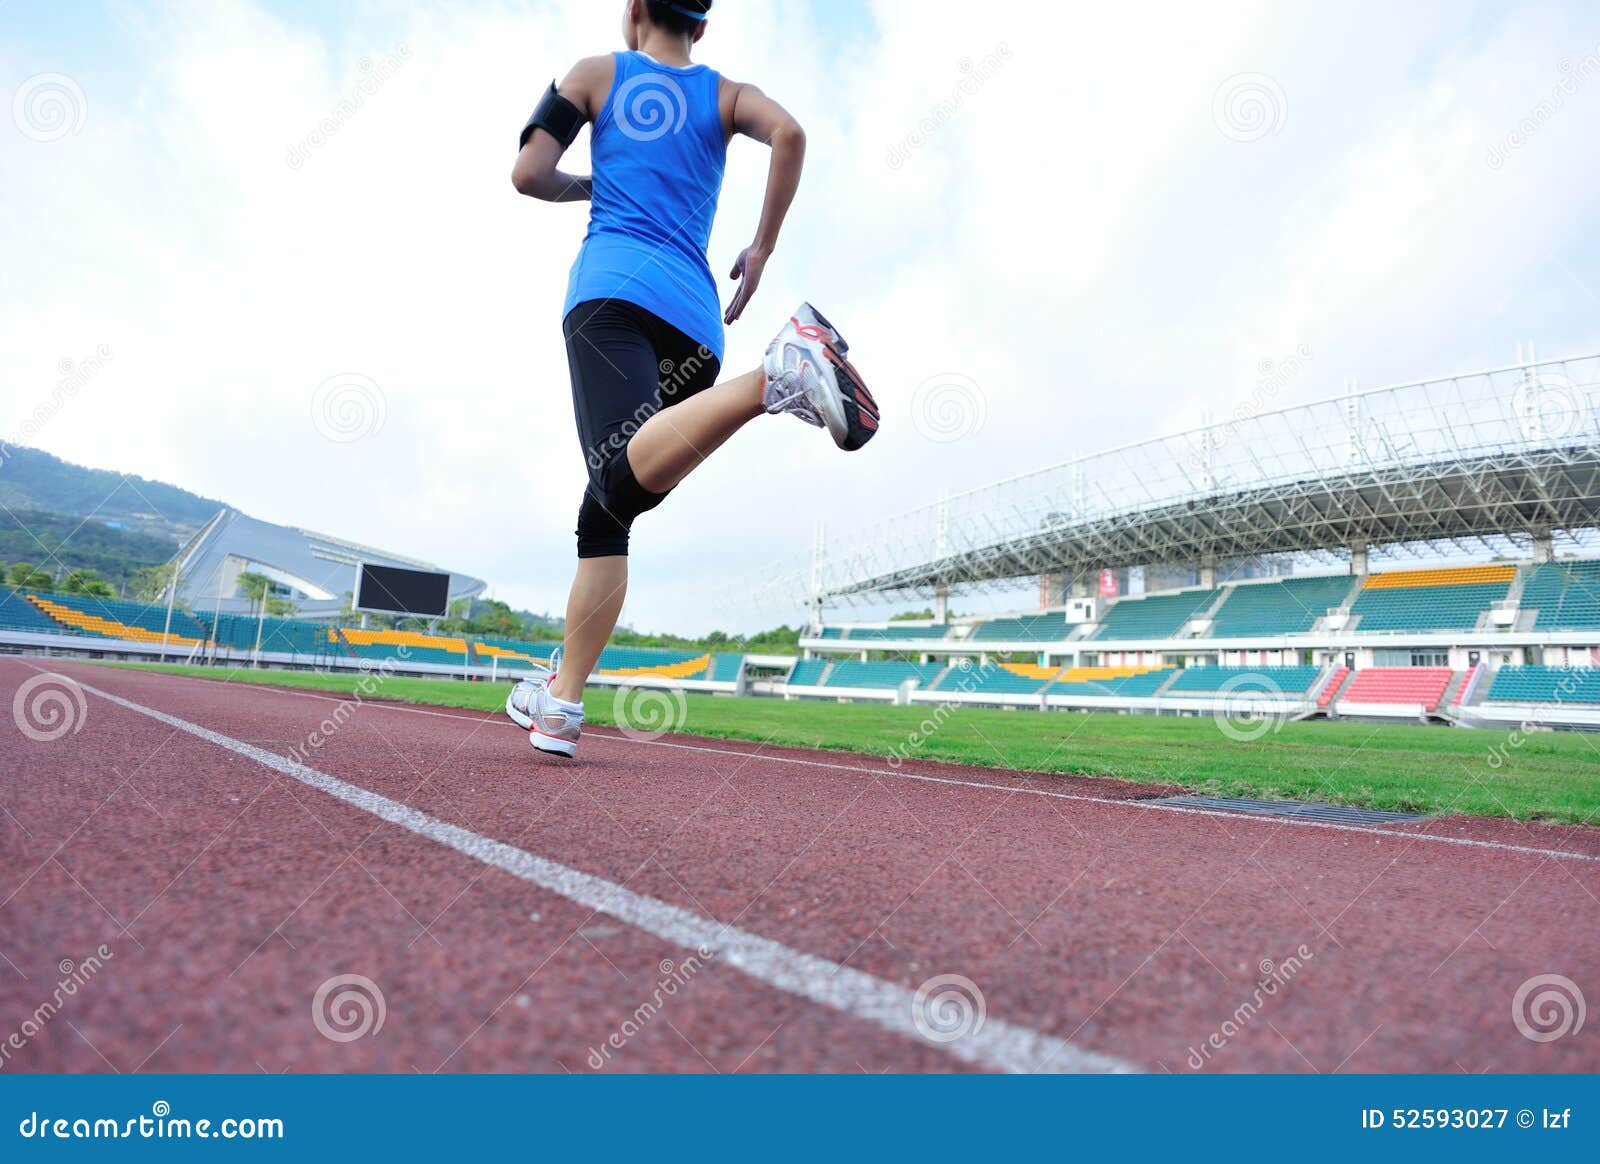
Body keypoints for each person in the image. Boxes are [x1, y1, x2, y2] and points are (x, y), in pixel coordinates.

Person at [505, 0, 879, 757]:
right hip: (695, 322)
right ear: (700, 26)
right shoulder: (726, 95)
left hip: (613, 294)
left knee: (618, 472)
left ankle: (774, 375)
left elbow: (527, 174)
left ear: (635, 8)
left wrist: (594, 183)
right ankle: (561, 704)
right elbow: (792, 134)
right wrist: (763, 248)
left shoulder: (593, 74)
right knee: (607, 514)